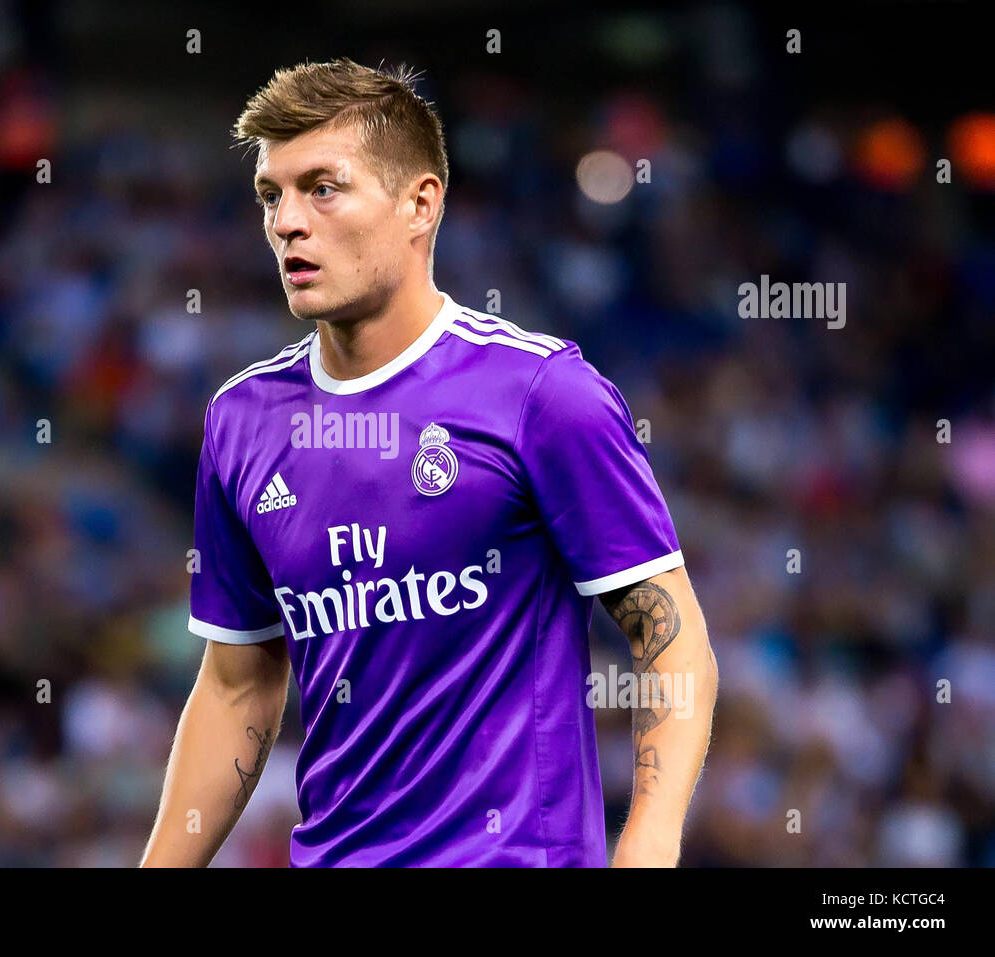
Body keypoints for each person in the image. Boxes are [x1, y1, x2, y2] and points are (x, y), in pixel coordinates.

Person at [141, 57, 717, 867]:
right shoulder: (241, 422)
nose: (287, 222)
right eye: (273, 194)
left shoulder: (541, 393)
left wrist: (649, 840)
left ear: (420, 203)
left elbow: (669, 634)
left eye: (323, 187)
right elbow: (239, 682)